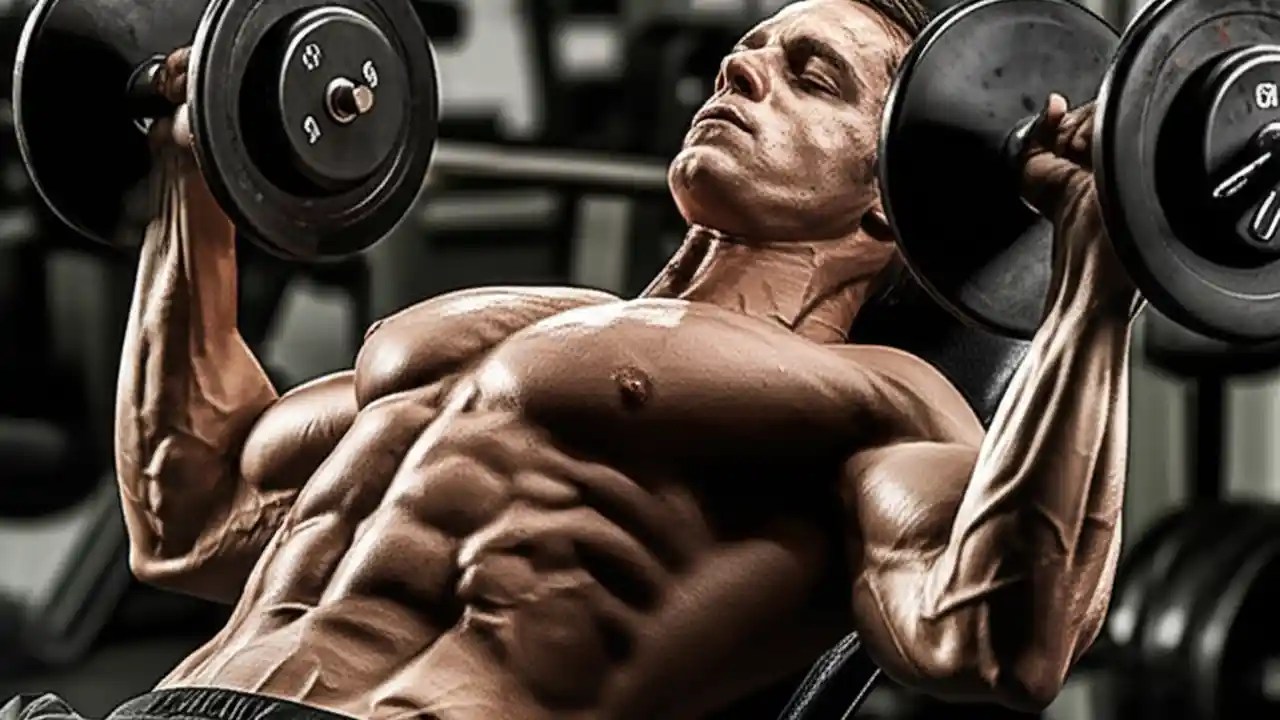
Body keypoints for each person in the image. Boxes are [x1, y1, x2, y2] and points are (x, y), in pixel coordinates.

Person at [7, 0, 1141, 718]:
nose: (738, 76)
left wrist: (1097, 280)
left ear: (894, 203)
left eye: (810, 76)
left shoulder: (881, 400)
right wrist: (194, 177)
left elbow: (1000, 639)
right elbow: (189, 509)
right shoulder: (485, 328)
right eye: (745, 56)